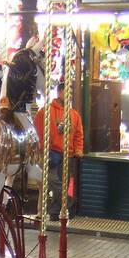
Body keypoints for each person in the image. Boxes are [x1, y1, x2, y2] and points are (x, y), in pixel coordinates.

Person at [34, 83, 84, 216]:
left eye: (71, 93)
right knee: (52, 180)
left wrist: (78, 149)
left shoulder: (75, 115)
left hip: (68, 153)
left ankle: (55, 211)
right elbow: (38, 131)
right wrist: (43, 147)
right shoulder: (45, 112)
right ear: (59, 93)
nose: (70, 96)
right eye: (67, 92)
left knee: (64, 182)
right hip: (52, 152)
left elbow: (79, 134)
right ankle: (69, 201)